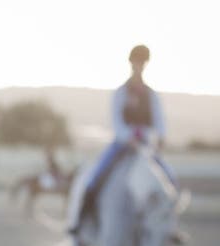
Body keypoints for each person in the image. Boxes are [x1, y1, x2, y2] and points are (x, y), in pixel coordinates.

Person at [69, 44, 175, 233]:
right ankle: (81, 220)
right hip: (122, 144)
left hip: (146, 147)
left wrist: (156, 137)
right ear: (131, 63)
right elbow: (116, 123)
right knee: (96, 176)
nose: (139, 66)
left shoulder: (151, 95)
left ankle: (169, 227)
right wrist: (129, 136)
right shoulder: (120, 93)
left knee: (169, 179)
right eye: (136, 62)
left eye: (142, 62)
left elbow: (159, 122)